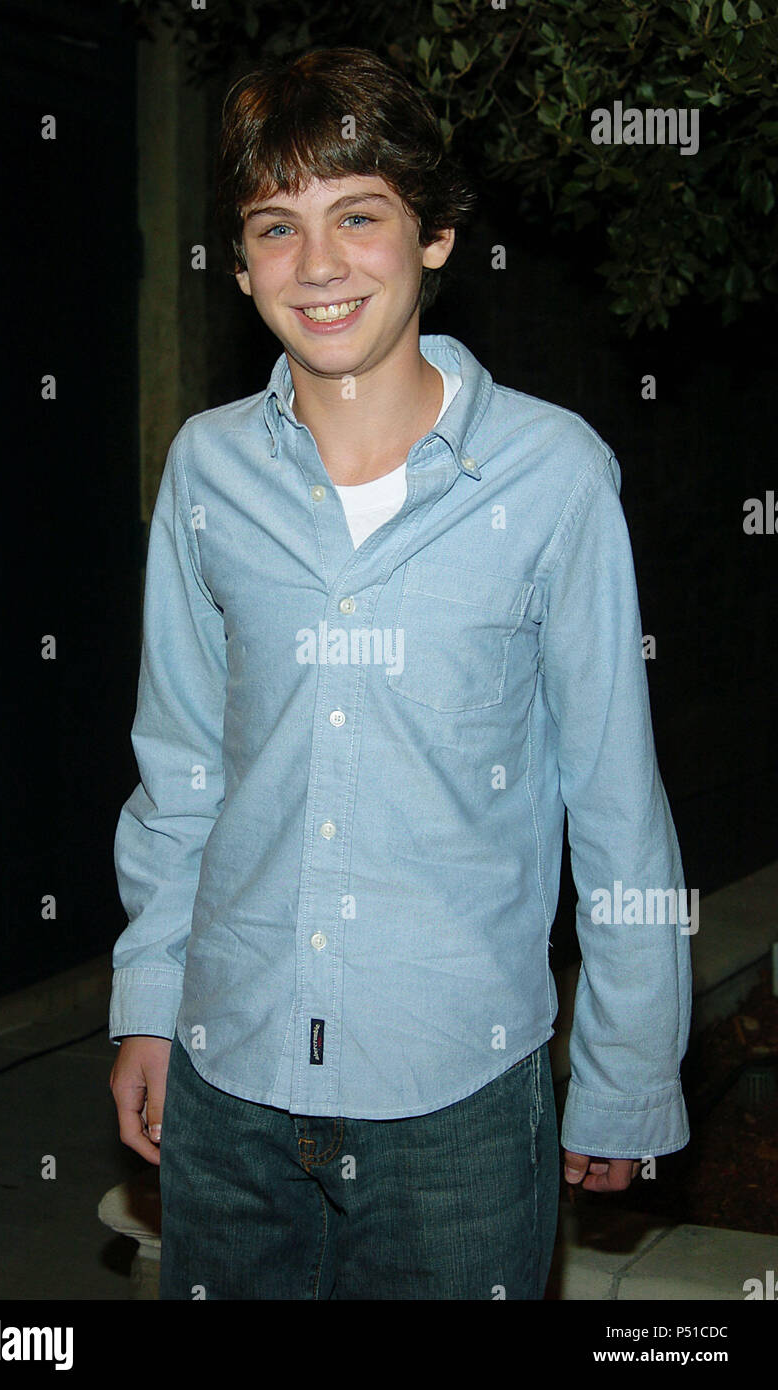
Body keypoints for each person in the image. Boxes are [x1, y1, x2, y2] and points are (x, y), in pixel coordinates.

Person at [109, 46, 692, 1301]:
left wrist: (628, 1067)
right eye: (277, 227)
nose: (317, 266)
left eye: (357, 217)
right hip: (230, 1083)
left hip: (456, 1107)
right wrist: (147, 1000)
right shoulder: (205, 474)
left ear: (432, 237)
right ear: (244, 259)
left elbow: (614, 797)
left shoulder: (553, 477)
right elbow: (180, 775)